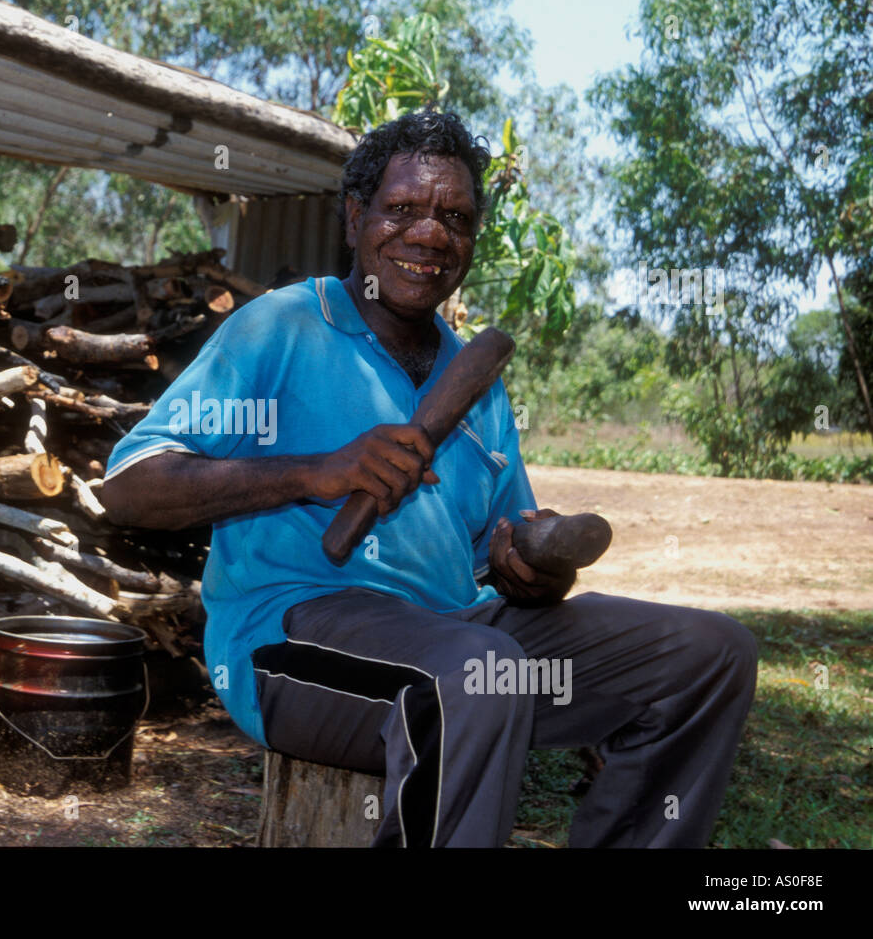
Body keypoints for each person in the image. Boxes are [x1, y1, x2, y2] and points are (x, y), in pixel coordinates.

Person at [99, 109, 757, 847]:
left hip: (461, 633)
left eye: (456, 216)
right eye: (403, 209)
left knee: (709, 654)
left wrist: (528, 567)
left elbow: (494, 552)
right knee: (474, 674)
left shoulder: (474, 378)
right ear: (355, 220)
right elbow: (129, 485)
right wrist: (318, 471)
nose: (430, 233)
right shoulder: (283, 328)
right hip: (292, 638)